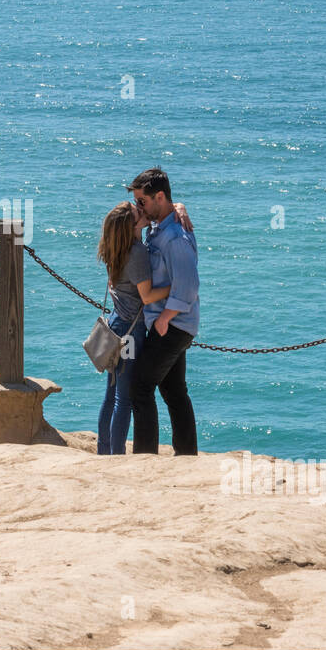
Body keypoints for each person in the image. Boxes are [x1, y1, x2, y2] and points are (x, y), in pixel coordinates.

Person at [128, 167, 200, 455]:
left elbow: (189, 284)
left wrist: (165, 319)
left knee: (140, 388)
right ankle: (186, 454)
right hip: (172, 323)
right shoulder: (160, 227)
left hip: (173, 324)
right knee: (174, 392)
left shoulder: (174, 238)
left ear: (159, 197)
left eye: (142, 202)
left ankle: (145, 455)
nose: (138, 207)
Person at [95, 202, 171, 455]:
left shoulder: (114, 248)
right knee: (123, 399)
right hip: (130, 333)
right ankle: (116, 456)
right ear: (131, 226)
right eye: (138, 212)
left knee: (110, 394)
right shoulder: (135, 251)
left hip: (115, 325)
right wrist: (177, 289)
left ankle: (104, 452)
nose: (143, 211)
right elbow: (147, 296)